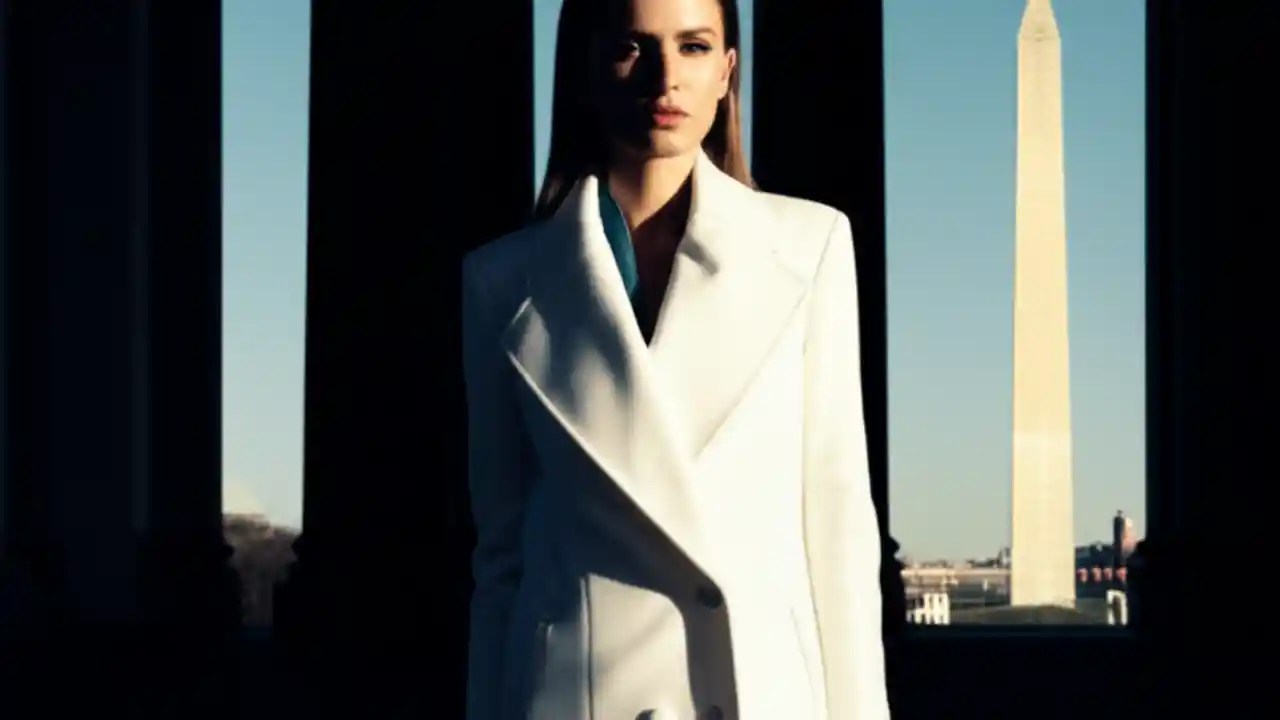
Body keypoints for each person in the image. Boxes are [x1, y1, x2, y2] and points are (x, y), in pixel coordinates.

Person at [459, 0, 889, 718]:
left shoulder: (811, 246)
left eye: (693, 47)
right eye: (633, 46)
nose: (666, 78)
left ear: (727, 72)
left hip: (759, 695)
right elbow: (500, 557)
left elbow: (840, 528)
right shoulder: (499, 281)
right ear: (586, 68)